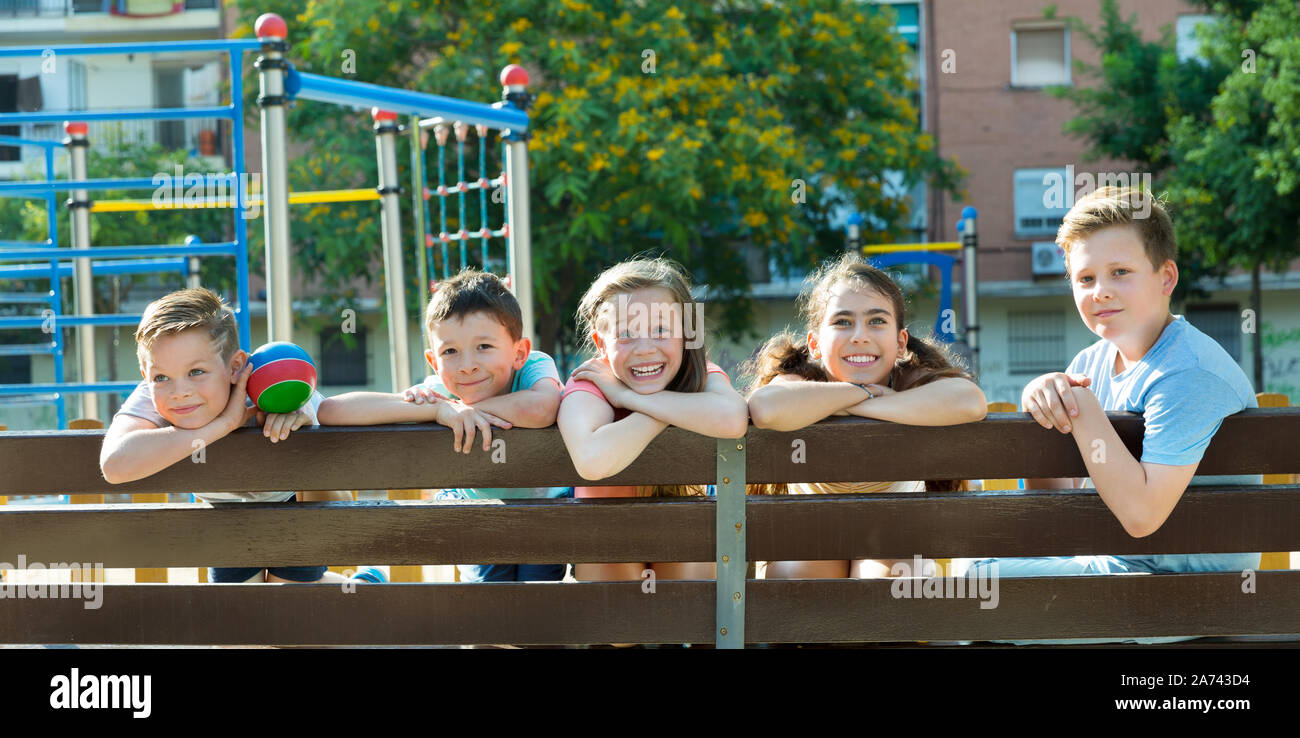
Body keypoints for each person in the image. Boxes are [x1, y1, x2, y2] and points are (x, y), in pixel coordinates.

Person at [968, 186, 1261, 583]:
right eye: (1085, 278)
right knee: (970, 577)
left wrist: (1082, 410)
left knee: (972, 585)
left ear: (1166, 278)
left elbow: (1141, 516)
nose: (1100, 290)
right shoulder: (1090, 362)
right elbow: (1060, 511)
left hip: (1187, 592)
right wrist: (1043, 400)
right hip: (1116, 571)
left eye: (1120, 272)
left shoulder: (1189, 371)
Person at [99, 287, 384, 584]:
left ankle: (362, 585)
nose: (179, 391)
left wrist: (302, 423)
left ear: (235, 367)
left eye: (196, 372)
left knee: (286, 593)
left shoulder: (272, 384)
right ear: (146, 376)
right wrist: (224, 424)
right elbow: (114, 464)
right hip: (227, 519)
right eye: (160, 378)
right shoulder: (151, 396)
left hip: (295, 508)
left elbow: (334, 473)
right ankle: (363, 585)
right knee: (239, 604)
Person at [745, 252, 987, 579]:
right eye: (843, 322)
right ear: (815, 344)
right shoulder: (803, 378)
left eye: (877, 321)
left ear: (901, 343)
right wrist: (864, 393)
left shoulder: (909, 380)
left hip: (890, 537)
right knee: (804, 570)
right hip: (810, 541)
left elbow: (970, 401)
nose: (860, 335)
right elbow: (765, 408)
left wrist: (856, 403)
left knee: (893, 571)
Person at [318, 269, 568, 583]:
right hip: (478, 514)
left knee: (540, 602)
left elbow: (543, 408)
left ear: (519, 352)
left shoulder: (534, 366)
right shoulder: (440, 393)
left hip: (545, 513)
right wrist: (437, 408)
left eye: (484, 347)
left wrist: (459, 408)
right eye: (450, 351)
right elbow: (331, 411)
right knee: (490, 609)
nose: (467, 365)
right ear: (434, 362)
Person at [558, 257, 748, 583]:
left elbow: (733, 419)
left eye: (661, 330)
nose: (645, 349)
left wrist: (631, 399)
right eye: (626, 335)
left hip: (680, 554)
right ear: (601, 344)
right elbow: (592, 460)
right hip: (613, 559)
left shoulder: (699, 375)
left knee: (688, 547)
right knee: (613, 552)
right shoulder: (590, 383)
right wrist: (664, 411)